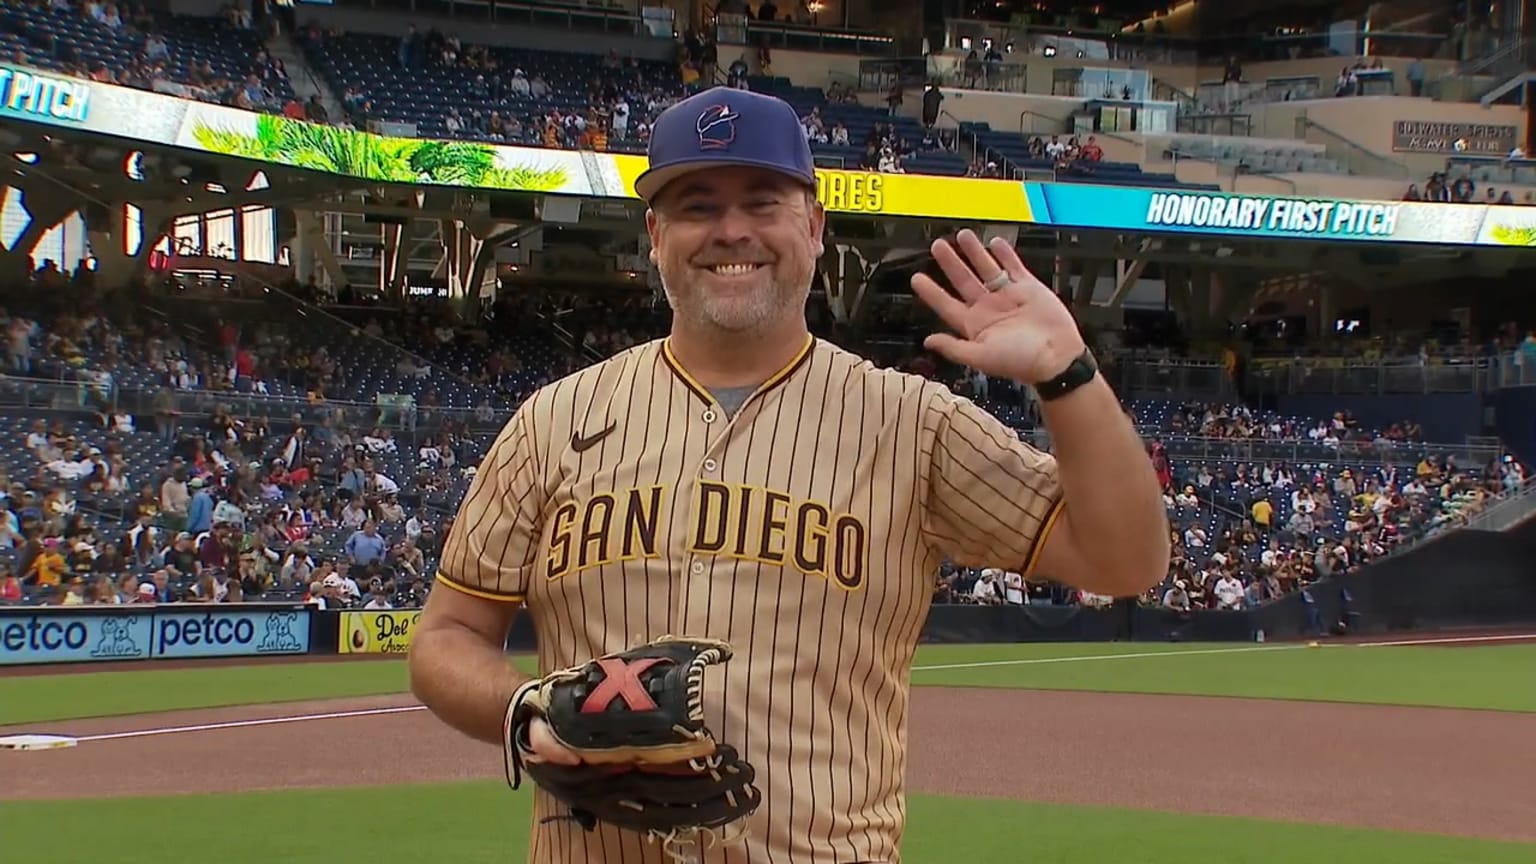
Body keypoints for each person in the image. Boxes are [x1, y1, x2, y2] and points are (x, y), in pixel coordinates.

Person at [409, 85, 1168, 863]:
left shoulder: (914, 423)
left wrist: (1067, 374)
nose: (731, 229)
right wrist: (526, 708)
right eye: (697, 205)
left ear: (812, 223)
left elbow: (1127, 560)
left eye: (762, 201)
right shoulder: (550, 423)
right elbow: (447, 635)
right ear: (656, 235)